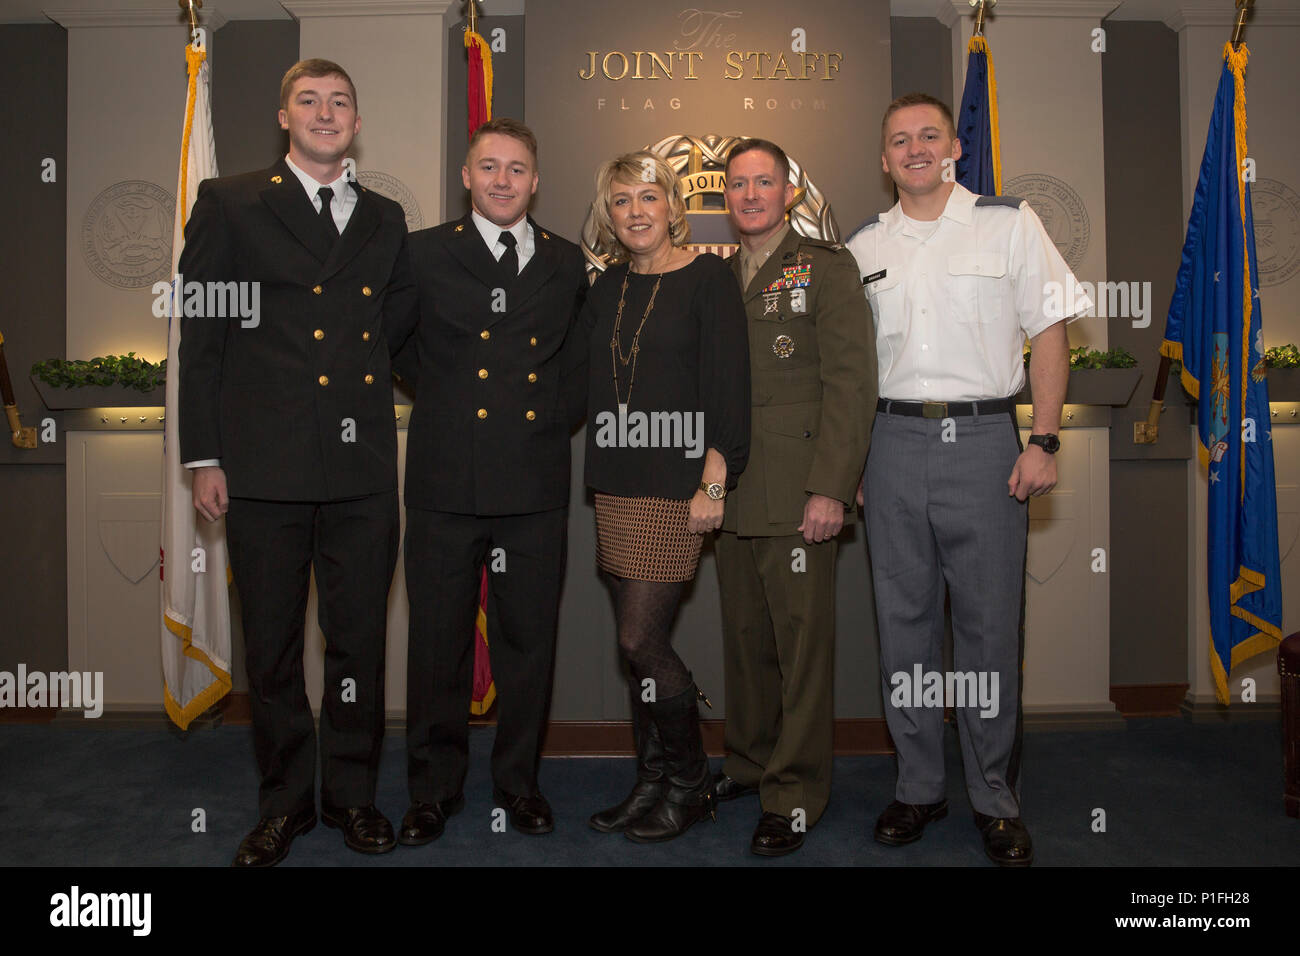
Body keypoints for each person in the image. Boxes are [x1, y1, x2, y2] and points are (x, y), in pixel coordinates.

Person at [179, 58, 414, 866]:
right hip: (262, 469)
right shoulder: (231, 202)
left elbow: (402, 339)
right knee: (273, 647)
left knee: (357, 644)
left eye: (340, 101)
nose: (325, 112)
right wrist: (203, 456)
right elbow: (200, 336)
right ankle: (284, 805)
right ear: (284, 116)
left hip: (361, 473)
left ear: (356, 119)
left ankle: (352, 798)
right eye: (309, 101)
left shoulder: (386, 219)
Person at [846, 93, 1085, 866]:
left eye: (928, 136)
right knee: (903, 630)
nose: (914, 149)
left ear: (952, 146)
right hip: (889, 442)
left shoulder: (1009, 224)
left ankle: (994, 796)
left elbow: (1049, 328)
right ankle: (918, 788)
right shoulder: (862, 245)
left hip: (986, 440)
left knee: (987, 631)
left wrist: (1042, 438)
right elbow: (849, 371)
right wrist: (852, 461)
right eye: (898, 141)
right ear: (882, 160)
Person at [386, 118, 588, 843]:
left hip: (534, 482)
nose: (503, 180)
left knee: (528, 643)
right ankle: (433, 790)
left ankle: (519, 784)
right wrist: (450, 405)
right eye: (490, 167)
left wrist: (534, 424)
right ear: (467, 177)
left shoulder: (568, 262)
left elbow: (579, 368)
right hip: (445, 479)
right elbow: (397, 348)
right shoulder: (422, 253)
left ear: (536, 182)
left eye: (517, 169)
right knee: (436, 644)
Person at [714, 139, 877, 856]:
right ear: (726, 197)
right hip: (733, 491)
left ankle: (796, 794)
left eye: (764, 182)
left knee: (802, 649)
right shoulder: (716, 276)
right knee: (747, 643)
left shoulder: (826, 267)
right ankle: (750, 765)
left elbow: (851, 382)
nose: (751, 194)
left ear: (789, 192)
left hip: (800, 493)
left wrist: (831, 489)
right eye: (738, 184)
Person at [580, 150, 749, 843]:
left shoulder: (709, 278)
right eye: (621, 201)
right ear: (608, 215)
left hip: (677, 486)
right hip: (616, 482)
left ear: (674, 207)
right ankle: (650, 779)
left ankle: (689, 779)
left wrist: (714, 481)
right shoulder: (607, 286)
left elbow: (729, 389)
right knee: (637, 650)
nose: (636, 212)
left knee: (639, 636)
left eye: (649, 197)